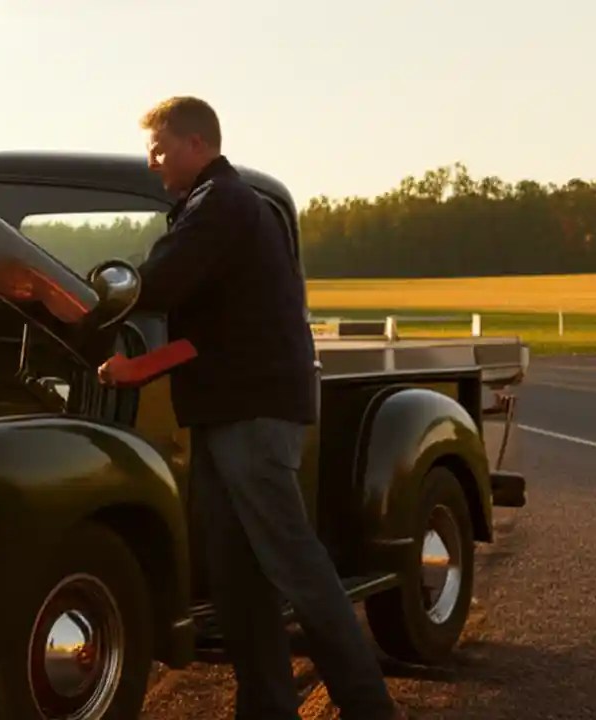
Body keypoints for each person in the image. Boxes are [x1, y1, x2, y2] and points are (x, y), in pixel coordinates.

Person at [100, 96, 407, 720]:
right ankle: (267, 708)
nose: (152, 163)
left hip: (253, 417)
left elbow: (160, 282)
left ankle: (369, 707)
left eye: (159, 150)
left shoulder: (222, 206)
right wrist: (138, 368)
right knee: (238, 575)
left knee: (295, 565)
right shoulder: (215, 208)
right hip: (227, 412)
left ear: (195, 144)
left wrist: (90, 297)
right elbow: (207, 335)